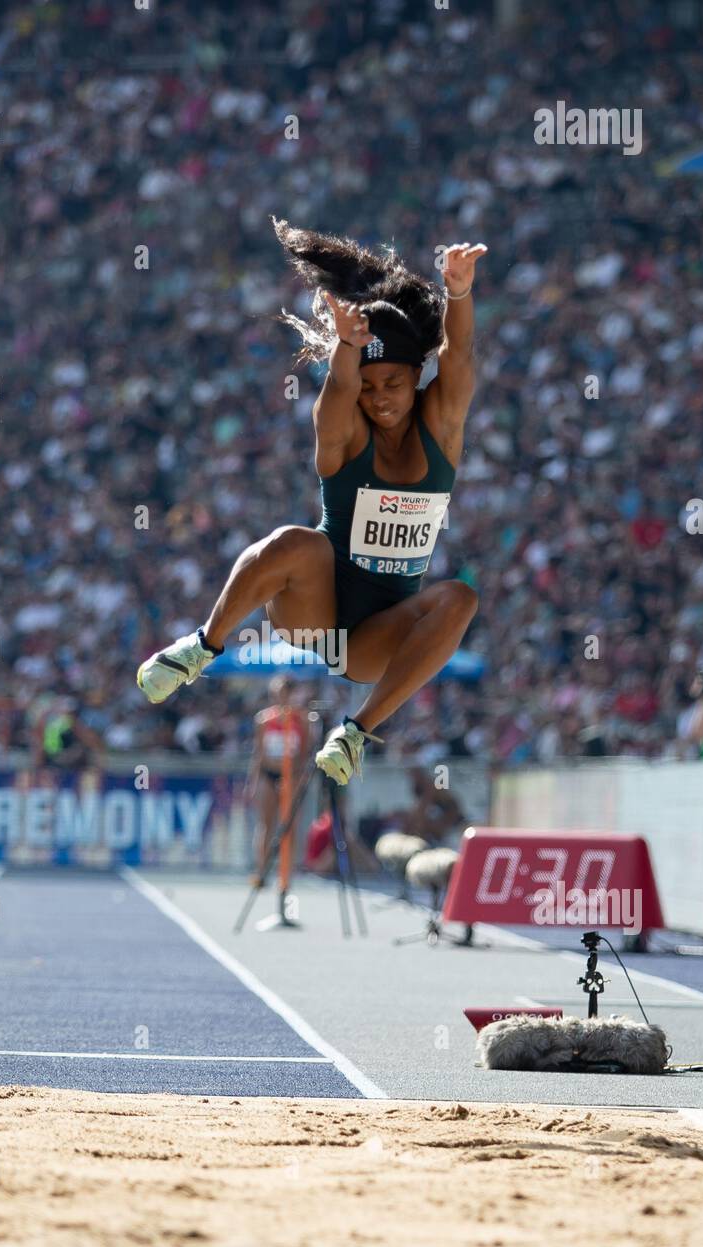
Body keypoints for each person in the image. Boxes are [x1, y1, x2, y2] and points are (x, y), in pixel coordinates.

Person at [137, 221, 486, 786]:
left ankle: (354, 734)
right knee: (296, 541)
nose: (380, 400)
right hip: (315, 614)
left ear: (417, 375)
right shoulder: (345, 433)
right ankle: (202, 648)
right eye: (369, 386)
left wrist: (460, 293)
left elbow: (461, 355)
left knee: (461, 598)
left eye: (393, 384)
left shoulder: (441, 426)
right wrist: (347, 354)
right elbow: (341, 395)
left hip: (374, 639)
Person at [244, 675, 310, 886]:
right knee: (266, 824)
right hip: (268, 774)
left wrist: (298, 778)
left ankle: (286, 874)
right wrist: (253, 781)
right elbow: (258, 753)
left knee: (289, 825)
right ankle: (262, 870)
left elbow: (305, 752)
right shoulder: (264, 719)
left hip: (291, 776)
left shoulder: (303, 720)